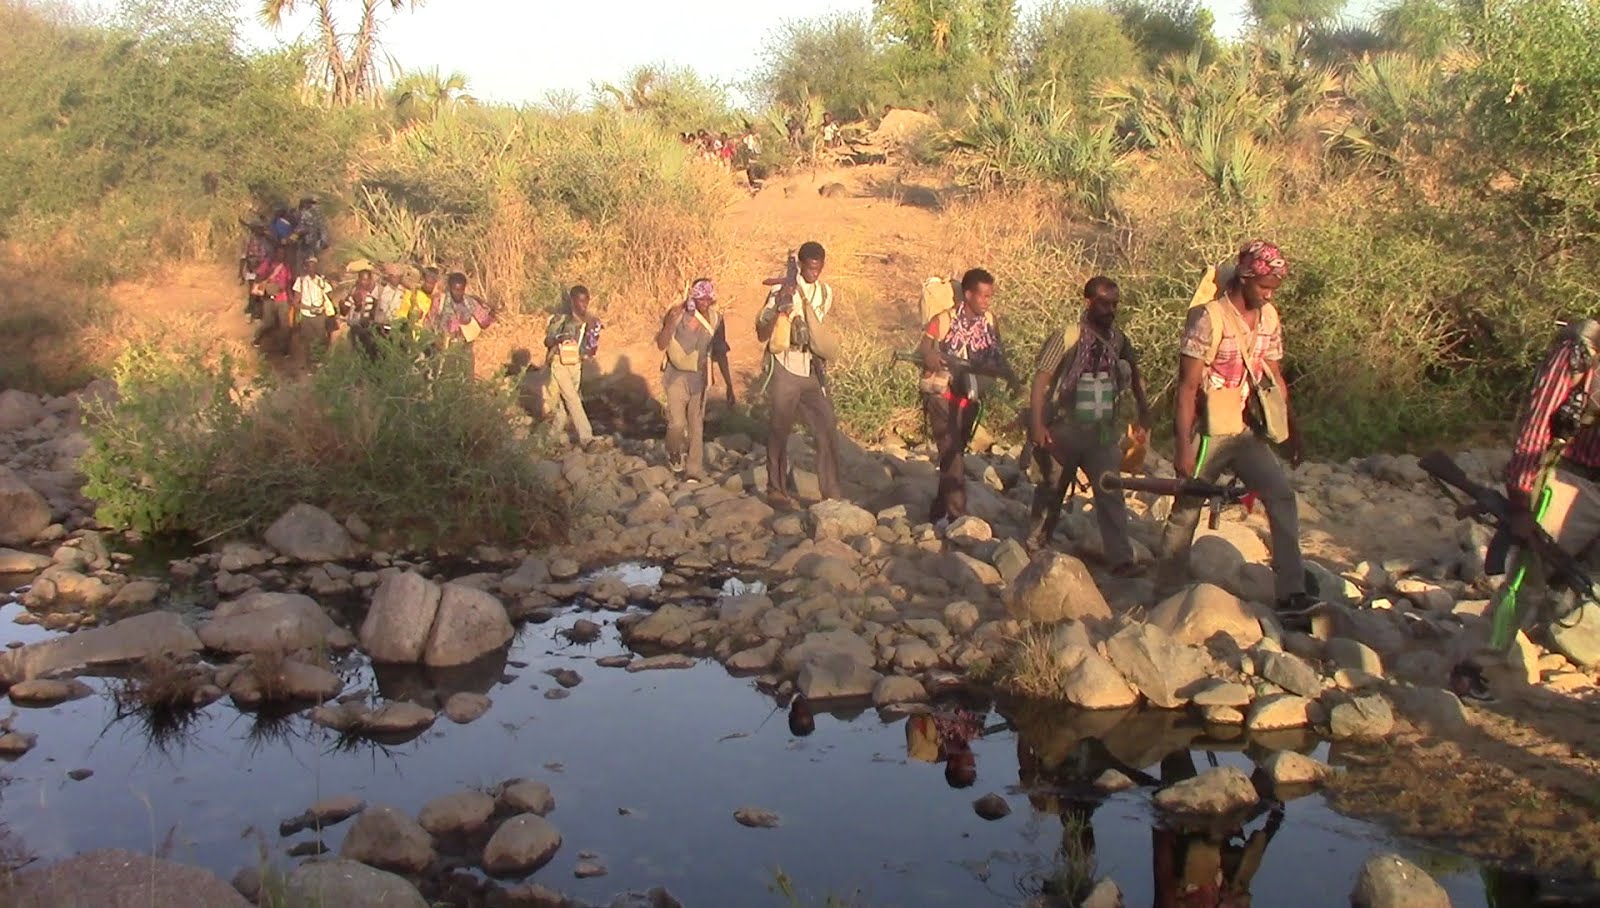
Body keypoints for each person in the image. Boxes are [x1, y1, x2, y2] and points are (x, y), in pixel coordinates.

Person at [1157, 240, 1315, 619]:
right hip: (1210, 430)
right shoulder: (1209, 319)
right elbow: (1187, 387)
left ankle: (1291, 592)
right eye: (1263, 285)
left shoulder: (1270, 317)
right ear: (1245, 277)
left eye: (1273, 287)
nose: (1268, 293)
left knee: (1280, 497)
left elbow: (1275, 375)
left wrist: (1291, 428)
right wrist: (1183, 448)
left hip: (1245, 430)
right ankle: (1166, 590)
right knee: (1187, 508)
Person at [1026, 277, 1153, 574]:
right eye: (1104, 303)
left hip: (1101, 431)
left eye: (1114, 304)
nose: (1111, 310)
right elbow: (1041, 380)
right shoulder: (1067, 336)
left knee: (1110, 489)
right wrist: (1037, 424)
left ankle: (1121, 560)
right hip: (1063, 427)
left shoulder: (1119, 340)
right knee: (1051, 488)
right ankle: (1036, 544)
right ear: (1088, 302)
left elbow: (1135, 376)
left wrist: (1144, 415)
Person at [917, 268, 1015, 527]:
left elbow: (999, 354)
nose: (986, 301)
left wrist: (1012, 379)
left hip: (969, 400)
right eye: (982, 296)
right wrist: (930, 356)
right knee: (953, 455)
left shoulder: (990, 322)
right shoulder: (944, 319)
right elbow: (924, 346)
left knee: (955, 454)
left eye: (989, 297)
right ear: (968, 294)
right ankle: (957, 517)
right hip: (942, 397)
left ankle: (938, 512)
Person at [756, 241, 844, 508]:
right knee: (780, 428)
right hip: (785, 365)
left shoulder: (825, 293)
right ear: (802, 264)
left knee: (826, 425)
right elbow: (761, 331)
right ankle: (776, 489)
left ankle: (831, 492)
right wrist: (779, 309)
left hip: (810, 367)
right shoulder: (781, 288)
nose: (814, 273)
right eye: (809, 268)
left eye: (818, 268)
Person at [657, 279, 720, 478]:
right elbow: (661, 344)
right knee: (676, 424)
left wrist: (725, 382)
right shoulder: (677, 314)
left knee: (696, 426)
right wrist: (670, 324)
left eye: (707, 300)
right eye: (700, 299)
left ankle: (693, 470)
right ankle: (674, 451)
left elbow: (720, 350)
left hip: (699, 377)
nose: (704, 304)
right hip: (675, 376)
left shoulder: (715, 318)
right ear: (692, 297)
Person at [543, 285, 600, 446]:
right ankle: (587, 438)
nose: (584, 304)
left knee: (565, 405)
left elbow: (591, 349)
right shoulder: (560, 319)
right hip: (559, 362)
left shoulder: (590, 321)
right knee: (573, 399)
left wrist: (592, 333)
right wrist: (559, 339)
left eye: (586, 301)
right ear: (572, 301)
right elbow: (547, 341)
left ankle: (548, 440)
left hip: (576, 365)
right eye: (580, 301)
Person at [434, 272, 494, 375]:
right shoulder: (441, 301)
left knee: (466, 378)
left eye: (461, 289)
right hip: (446, 346)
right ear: (449, 287)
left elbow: (484, 323)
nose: (458, 293)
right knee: (447, 378)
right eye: (455, 289)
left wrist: (490, 314)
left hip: (466, 347)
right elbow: (433, 320)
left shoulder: (470, 302)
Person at [289, 256, 337, 366]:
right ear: (306, 267)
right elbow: (296, 301)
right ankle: (309, 362)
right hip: (306, 315)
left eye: (314, 266)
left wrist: (323, 306)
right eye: (309, 266)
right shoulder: (301, 281)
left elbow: (329, 295)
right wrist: (307, 308)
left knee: (321, 338)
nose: (312, 268)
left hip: (320, 315)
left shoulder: (321, 281)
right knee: (308, 340)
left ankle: (319, 360)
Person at [252, 250, 296, 356]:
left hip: (283, 298)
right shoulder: (267, 264)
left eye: (283, 254)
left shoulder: (286, 267)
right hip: (269, 298)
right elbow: (258, 276)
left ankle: (285, 349)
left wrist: (291, 299)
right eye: (279, 253)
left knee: (285, 325)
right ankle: (256, 338)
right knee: (268, 322)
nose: (281, 255)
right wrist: (264, 285)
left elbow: (288, 284)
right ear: (275, 253)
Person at [290, 197, 328, 276]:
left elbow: (302, 228)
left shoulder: (306, 213)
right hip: (316, 243)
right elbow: (323, 228)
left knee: (304, 265)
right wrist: (324, 241)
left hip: (307, 243)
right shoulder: (319, 214)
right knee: (314, 262)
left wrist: (291, 238)